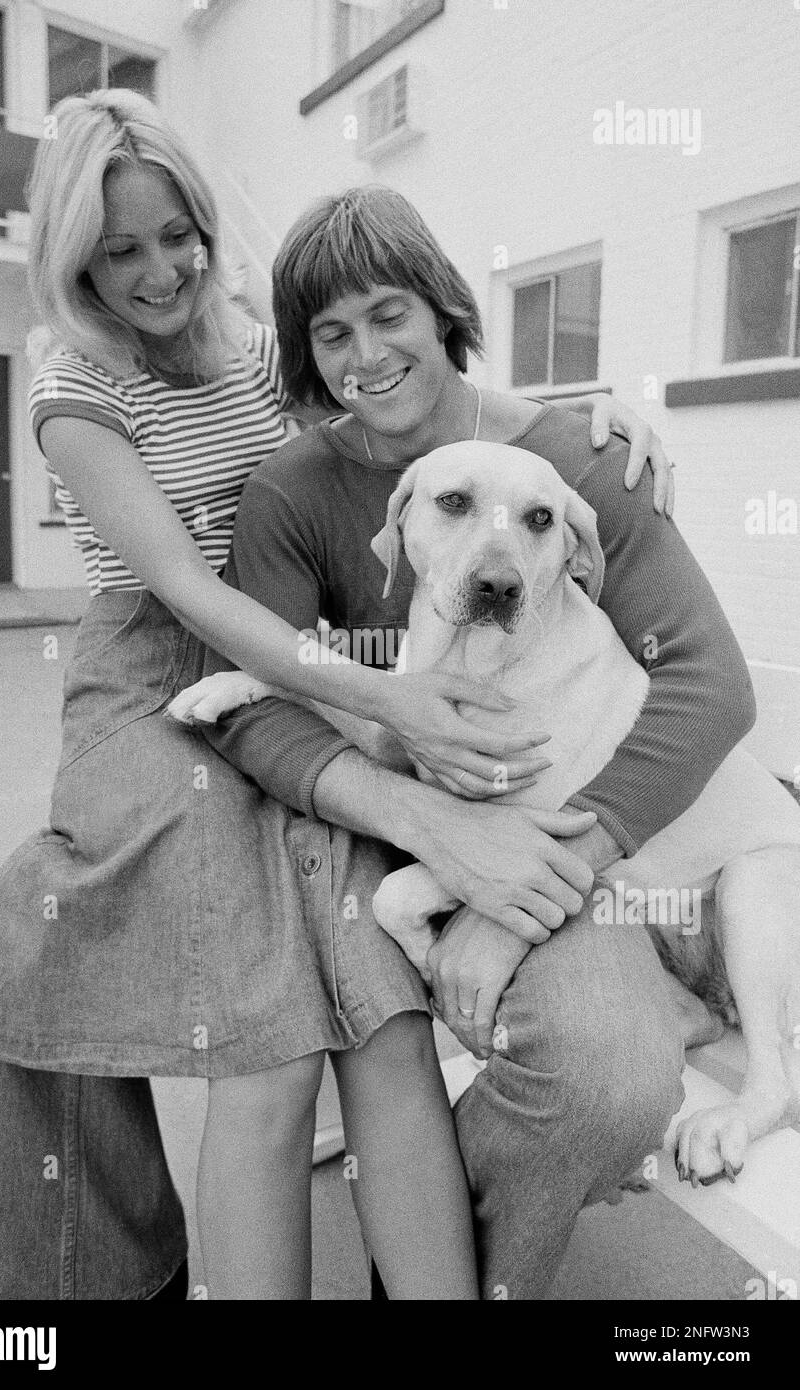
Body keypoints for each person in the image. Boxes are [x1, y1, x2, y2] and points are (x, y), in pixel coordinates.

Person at [0, 91, 671, 1300]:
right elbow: (184, 587)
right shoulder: (74, 392)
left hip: (302, 672)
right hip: (172, 679)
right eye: (117, 250)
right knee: (270, 1045)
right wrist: (380, 701)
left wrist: (583, 425)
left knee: (376, 1016)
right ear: (72, 258)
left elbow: (411, 406)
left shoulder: (254, 348)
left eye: (175, 233)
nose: (159, 269)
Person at [200, 185, 757, 1299]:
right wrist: (427, 822)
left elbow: (712, 688)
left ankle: (457, 1271)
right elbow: (263, 701)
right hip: (397, 821)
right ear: (305, 358)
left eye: (390, 312)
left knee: (606, 1084)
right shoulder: (292, 492)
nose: (366, 353)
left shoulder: (583, 465)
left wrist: (527, 894)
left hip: (598, 840)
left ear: (443, 309)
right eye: (330, 331)